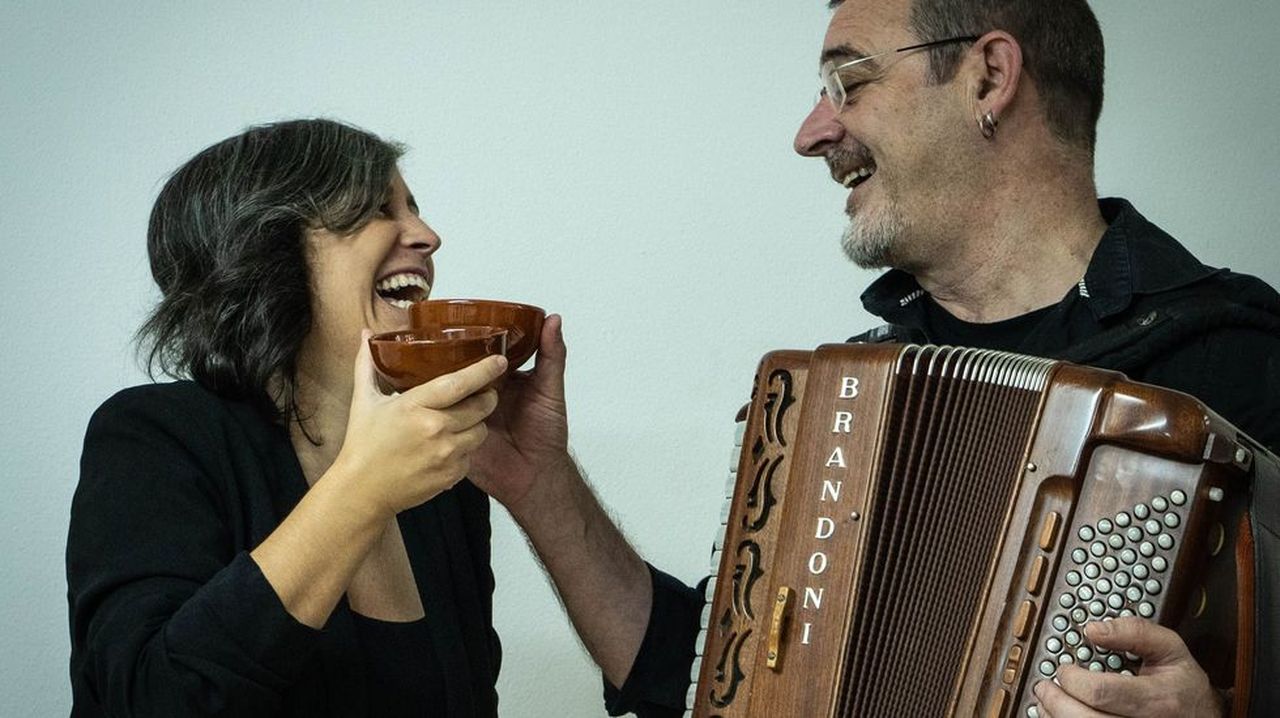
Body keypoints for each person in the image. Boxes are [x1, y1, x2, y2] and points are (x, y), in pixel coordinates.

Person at [471, 0, 1280, 716]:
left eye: (847, 83)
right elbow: (710, 683)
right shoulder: (843, 401)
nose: (811, 132)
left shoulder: (1236, 359)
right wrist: (541, 486)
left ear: (989, 77)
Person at [66, 118, 528, 717]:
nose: (427, 235)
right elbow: (151, 699)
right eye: (375, 209)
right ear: (266, 248)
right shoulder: (152, 437)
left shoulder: (439, 475)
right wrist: (360, 494)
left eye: (414, 207)